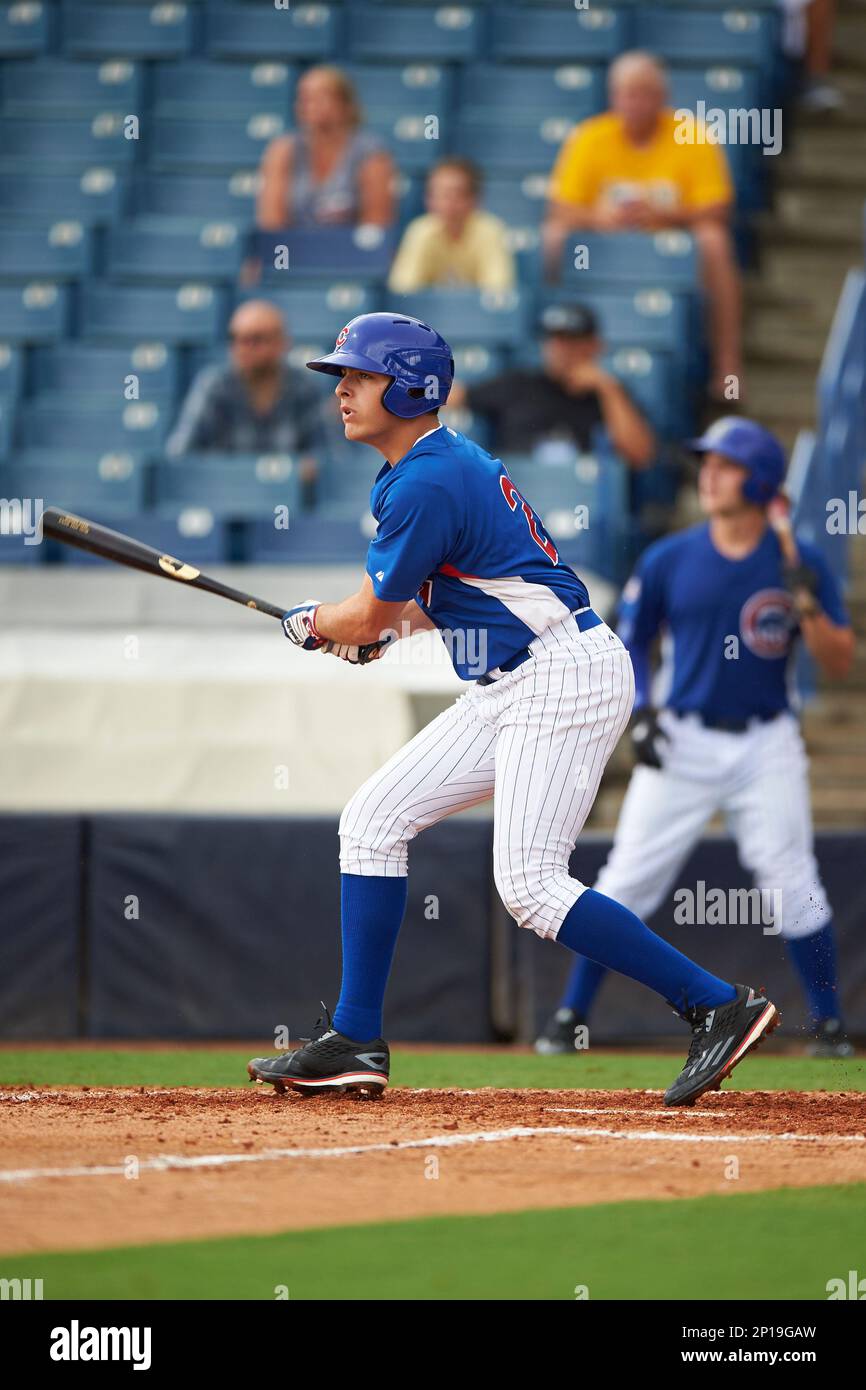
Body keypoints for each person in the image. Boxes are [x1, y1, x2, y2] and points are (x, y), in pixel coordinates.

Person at [246, 314, 780, 1107]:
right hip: (516, 678)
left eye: (359, 376)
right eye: (342, 378)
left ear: (409, 386)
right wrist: (377, 632)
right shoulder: (429, 468)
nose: (345, 391)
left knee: (529, 886)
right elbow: (451, 594)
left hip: (558, 676)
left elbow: (362, 615)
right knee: (373, 819)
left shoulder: (426, 478)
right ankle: (357, 1038)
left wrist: (323, 624)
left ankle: (716, 1004)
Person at [535, 418, 855, 1059]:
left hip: (766, 741)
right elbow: (632, 639)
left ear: (760, 480)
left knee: (791, 879)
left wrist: (808, 604)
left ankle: (828, 1024)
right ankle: (571, 1016)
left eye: (726, 464)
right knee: (628, 877)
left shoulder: (799, 560)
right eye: (706, 461)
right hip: (682, 737)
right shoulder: (669, 557)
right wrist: (645, 709)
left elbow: (840, 661)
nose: (708, 474)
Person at [543, 51, 742, 403]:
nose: (634, 102)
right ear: (613, 96)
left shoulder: (690, 134)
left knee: (715, 240)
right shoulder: (590, 136)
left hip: (669, 248)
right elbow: (561, 206)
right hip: (605, 245)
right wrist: (599, 217)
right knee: (554, 234)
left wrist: (663, 215)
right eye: (626, 93)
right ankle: (553, 349)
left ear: (662, 96)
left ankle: (726, 365)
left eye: (643, 93)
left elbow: (718, 207)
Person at [448, 302, 655, 467]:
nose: (559, 349)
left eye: (570, 340)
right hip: (517, 505)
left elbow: (640, 455)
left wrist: (608, 389)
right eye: (554, 339)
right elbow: (452, 397)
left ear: (595, 346)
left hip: (579, 508)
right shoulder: (518, 384)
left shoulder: (610, 394)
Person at [166, 301, 326, 492]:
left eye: (256, 339)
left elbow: (331, 459)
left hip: (287, 504)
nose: (244, 348)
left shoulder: (305, 388)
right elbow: (179, 456)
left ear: (282, 342)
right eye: (236, 338)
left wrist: (306, 471)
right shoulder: (213, 386)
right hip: (224, 499)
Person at [256, 65, 395, 230]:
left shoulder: (371, 152)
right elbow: (272, 226)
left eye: (320, 97)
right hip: (294, 251)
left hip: (350, 253)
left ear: (345, 104)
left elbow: (375, 229)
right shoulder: (282, 150)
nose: (308, 105)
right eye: (303, 98)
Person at [387, 157, 515, 294]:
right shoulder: (419, 231)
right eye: (439, 194)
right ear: (428, 200)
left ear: (474, 199)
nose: (448, 203)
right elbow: (403, 290)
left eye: (456, 194)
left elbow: (498, 291)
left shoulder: (491, 230)